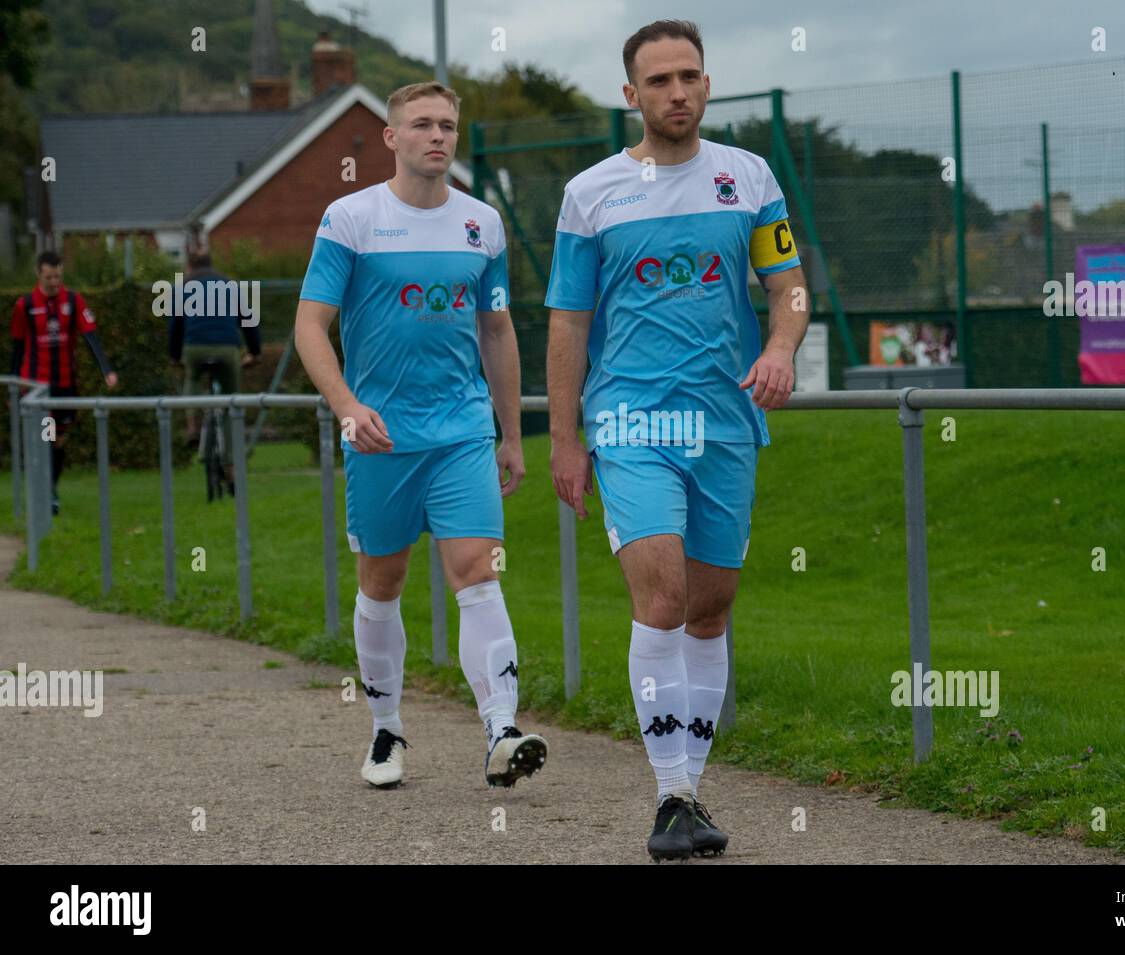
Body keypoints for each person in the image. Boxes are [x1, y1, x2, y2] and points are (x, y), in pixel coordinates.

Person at [546, 20, 808, 861]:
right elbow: (568, 321)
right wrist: (564, 436)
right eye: (659, 80)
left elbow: (790, 287)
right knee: (660, 598)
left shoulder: (750, 176)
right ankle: (671, 792)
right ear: (632, 96)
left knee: (710, 606)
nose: (678, 92)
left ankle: (689, 790)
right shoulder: (592, 194)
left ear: (707, 83)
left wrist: (778, 348)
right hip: (631, 420)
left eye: (690, 76)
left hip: (724, 420)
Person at [295, 81, 547, 791]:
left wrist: (510, 434)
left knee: (476, 569)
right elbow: (310, 326)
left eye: (447, 125)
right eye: (422, 125)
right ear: (392, 137)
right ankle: (386, 729)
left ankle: (501, 729)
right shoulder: (351, 219)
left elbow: (496, 331)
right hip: (378, 437)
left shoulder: (482, 226)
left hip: (461, 432)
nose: (438, 136)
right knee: (384, 581)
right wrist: (347, 405)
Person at [10, 250, 119, 515]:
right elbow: (17, 346)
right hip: (38, 387)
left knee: (58, 441)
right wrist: (14, 385)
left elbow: (90, 335)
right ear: (39, 274)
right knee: (47, 437)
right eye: (49, 277)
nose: (55, 282)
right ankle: (48, 494)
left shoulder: (74, 301)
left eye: (58, 276)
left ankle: (50, 488)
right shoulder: (24, 305)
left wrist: (106, 369)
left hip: (65, 383)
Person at [168, 252, 262, 491]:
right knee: (231, 404)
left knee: (192, 376)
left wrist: (174, 356)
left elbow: (175, 327)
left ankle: (192, 423)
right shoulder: (230, 285)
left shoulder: (183, 287)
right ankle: (231, 468)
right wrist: (254, 352)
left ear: (189, 267)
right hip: (227, 349)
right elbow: (249, 321)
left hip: (194, 348)